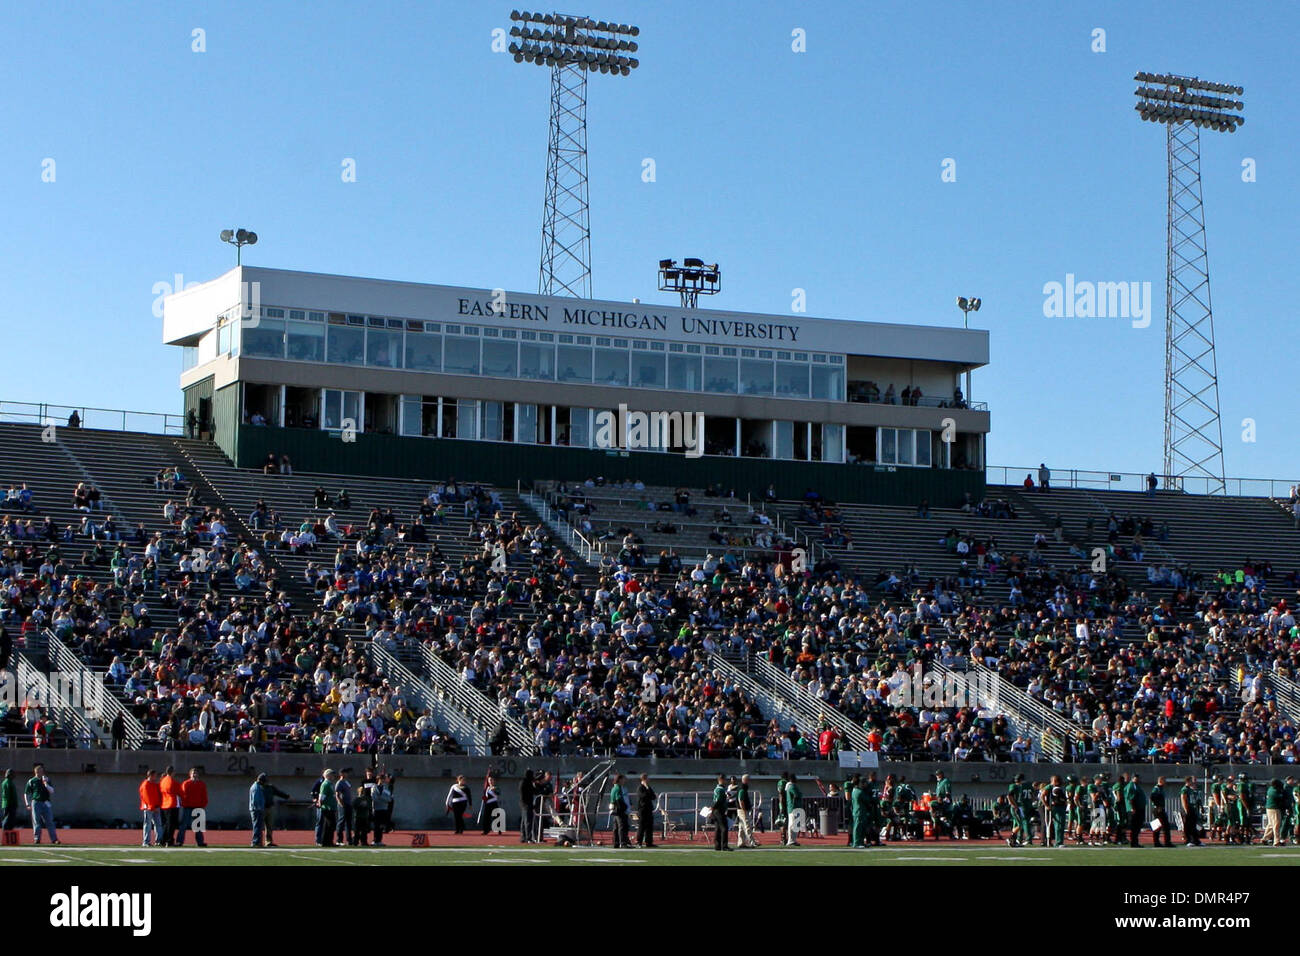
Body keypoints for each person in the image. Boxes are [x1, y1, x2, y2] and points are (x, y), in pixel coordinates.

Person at [24, 764, 58, 845]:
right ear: (36, 772)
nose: (41, 773)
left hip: (46, 803)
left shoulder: (47, 779)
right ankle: (37, 839)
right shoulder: (31, 781)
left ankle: (54, 839)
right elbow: (26, 793)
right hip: (36, 802)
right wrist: (27, 804)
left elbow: (52, 791)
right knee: (37, 822)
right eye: (39, 771)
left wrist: (46, 784)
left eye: (42, 771)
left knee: (49, 821)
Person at [180, 767, 208, 847]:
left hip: (198, 807)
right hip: (188, 807)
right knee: (184, 825)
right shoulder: (186, 783)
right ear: (190, 775)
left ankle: (200, 842)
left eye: (196, 773)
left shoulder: (201, 784)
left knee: (198, 826)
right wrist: (185, 804)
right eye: (193, 773)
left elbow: (204, 796)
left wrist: (203, 805)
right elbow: (183, 796)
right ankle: (180, 841)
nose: (194, 775)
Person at [139, 769, 163, 847]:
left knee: (158, 824)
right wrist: (152, 807)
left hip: (155, 807)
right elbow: (147, 798)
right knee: (148, 824)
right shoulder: (146, 784)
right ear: (151, 775)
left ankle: (158, 840)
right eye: (155, 775)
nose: (156, 777)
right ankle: (146, 841)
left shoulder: (154, 784)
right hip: (149, 808)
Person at [159, 765, 182, 847]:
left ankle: (163, 840)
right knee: (172, 824)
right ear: (172, 772)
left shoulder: (163, 781)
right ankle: (169, 840)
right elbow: (179, 792)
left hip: (164, 804)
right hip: (172, 804)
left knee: (166, 824)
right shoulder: (173, 782)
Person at [314, 769, 337, 846]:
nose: (333, 776)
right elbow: (322, 795)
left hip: (331, 807)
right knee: (329, 825)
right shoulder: (325, 784)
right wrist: (320, 802)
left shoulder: (330, 784)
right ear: (328, 775)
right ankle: (326, 841)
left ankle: (328, 841)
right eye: (332, 774)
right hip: (327, 807)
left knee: (330, 825)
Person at [371, 773, 394, 846]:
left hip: (384, 809)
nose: (383, 780)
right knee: (376, 826)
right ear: (378, 779)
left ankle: (379, 840)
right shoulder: (374, 787)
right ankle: (375, 840)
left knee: (381, 826)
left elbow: (389, 799)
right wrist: (382, 798)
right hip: (376, 809)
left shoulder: (386, 788)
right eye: (381, 779)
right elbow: (374, 798)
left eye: (384, 779)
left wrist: (380, 797)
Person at [710, 774, 732, 851]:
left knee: (718, 828)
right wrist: (713, 807)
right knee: (724, 828)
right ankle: (724, 846)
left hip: (716, 810)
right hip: (719, 810)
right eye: (725, 779)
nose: (726, 781)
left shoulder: (718, 789)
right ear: (721, 780)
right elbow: (719, 800)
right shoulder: (720, 789)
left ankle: (717, 845)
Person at [636, 774, 657, 848]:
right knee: (641, 827)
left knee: (649, 827)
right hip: (642, 810)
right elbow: (644, 796)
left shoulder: (648, 787)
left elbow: (653, 796)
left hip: (649, 810)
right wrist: (648, 791)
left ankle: (649, 842)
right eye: (648, 779)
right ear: (644, 779)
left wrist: (648, 789)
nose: (649, 780)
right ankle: (639, 842)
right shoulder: (640, 788)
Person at [609, 773, 631, 848]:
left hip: (615, 810)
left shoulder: (613, 788)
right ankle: (623, 842)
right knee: (622, 826)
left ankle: (616, 842)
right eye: (623, 779)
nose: (624, 780)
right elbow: (618, 799)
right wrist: (624, 807)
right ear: (620, 779)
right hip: (619, 810)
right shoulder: (618, 788)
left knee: (616, 827)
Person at [1150, 776, 1172, 848]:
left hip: (1160, 809)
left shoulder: (1160, 789)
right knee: (1163, 826)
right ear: (1161, 780)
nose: (1165, 782)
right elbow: (1152, 797)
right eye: (1164, 780)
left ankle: (1158, 842)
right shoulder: (1157, 788)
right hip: (1158, 809)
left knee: (1160, 826)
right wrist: (1158, 805)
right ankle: (1164, 842)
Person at [334, 767, 354, 846]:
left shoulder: (346, 782)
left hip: (348, 804)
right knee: (341, 821)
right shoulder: (339, 783)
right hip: (343, 804)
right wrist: (341, 803)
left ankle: (349, 840)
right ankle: (339, 839)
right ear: (341, 774)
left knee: (349, 823)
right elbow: (337, 795)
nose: (347, 774)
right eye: (345, 773)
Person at [1125, 774, 1146, 848]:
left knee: (1137, 827)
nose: (1138, 780)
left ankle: (1135, 842)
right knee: (1135, 827)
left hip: (1138, 808)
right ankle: (1134, 842)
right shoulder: (1132, 785)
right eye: (1136, 778)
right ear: (1133, 778)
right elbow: (1131, 798)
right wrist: (1133, 808)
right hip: (1135, 809)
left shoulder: (1136, 786)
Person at [1263, 779, 1286, 846]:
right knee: (1276, 824)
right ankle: (1276, 841)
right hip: (1274, 808)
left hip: (1269, 808)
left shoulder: (1270, 789)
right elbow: (1281, 797)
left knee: (1270, 824)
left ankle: (1265, 838)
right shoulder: (1274, 791)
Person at [249, 773, 268, 847]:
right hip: (256, 810)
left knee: (258, 826)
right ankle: (255, 842)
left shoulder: (257, 786)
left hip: (257, 809)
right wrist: (259, 808)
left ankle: (257, 841)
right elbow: (255, 800)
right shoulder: (256, 787)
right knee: (257, 826)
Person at [784, 774, 802, 846]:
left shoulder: (788, 787)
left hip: (791, 807)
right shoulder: (792, 786)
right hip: (794, 807)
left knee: (793, 825)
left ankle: (793, 840)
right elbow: (797, 795)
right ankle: (791, 840)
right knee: (793, 825)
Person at [1, 769, 20, 837]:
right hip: (9, 804)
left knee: (10, 820)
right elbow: (8, 795)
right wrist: (12, 804)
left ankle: (8, 835)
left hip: (8, 804)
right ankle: (5, 835)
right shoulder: (8, 782)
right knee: (8, 820)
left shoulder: (6, 782)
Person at [519, 770, 536, 844]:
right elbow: (534, 791)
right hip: (527, 803)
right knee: (528, 821)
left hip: (524, 803)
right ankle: (528, 837)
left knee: (524, 821)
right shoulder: (527, 783)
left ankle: (523, 837)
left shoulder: (523, 782)